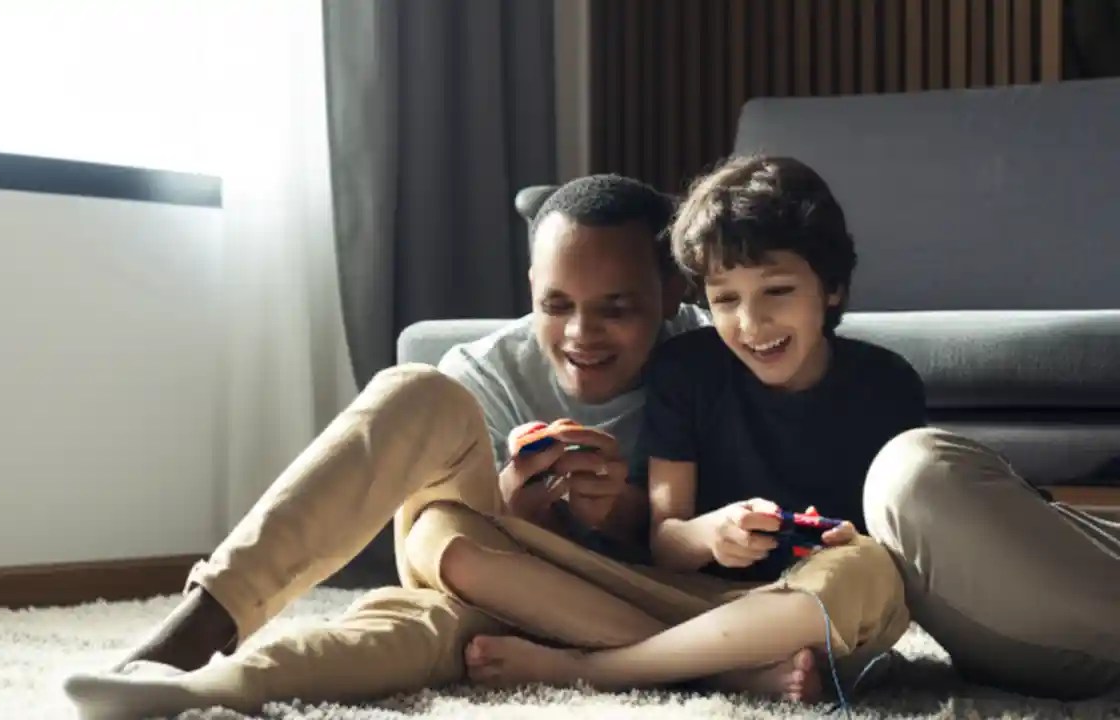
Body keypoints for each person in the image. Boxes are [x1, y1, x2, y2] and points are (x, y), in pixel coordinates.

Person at [63, 175, 754, 720]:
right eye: (556, 305)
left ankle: (227, 686)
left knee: (411, 632)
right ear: (531, 292)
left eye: (616, 307)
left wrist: (620, 513)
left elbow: (728, 536)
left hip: (620, 606)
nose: (581, 333)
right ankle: (200, 639)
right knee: (421, 405)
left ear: (670, 294)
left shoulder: (712, 357)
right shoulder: (486, 370)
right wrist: (514, 505)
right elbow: (447, 540)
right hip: (486, 577)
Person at [435, 155, 918, 702]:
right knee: (454, 548)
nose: (751, 325)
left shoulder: (887, 383)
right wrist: (715, 532)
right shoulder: (689, 370)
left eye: (777, 292)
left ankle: (595, 670)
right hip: (697, 599)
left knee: (865, 569)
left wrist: (847, 543)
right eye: (726, 299)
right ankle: (725, 668)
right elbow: (666, 541)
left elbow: (902, 556)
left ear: (830, 288)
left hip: (815, 603)